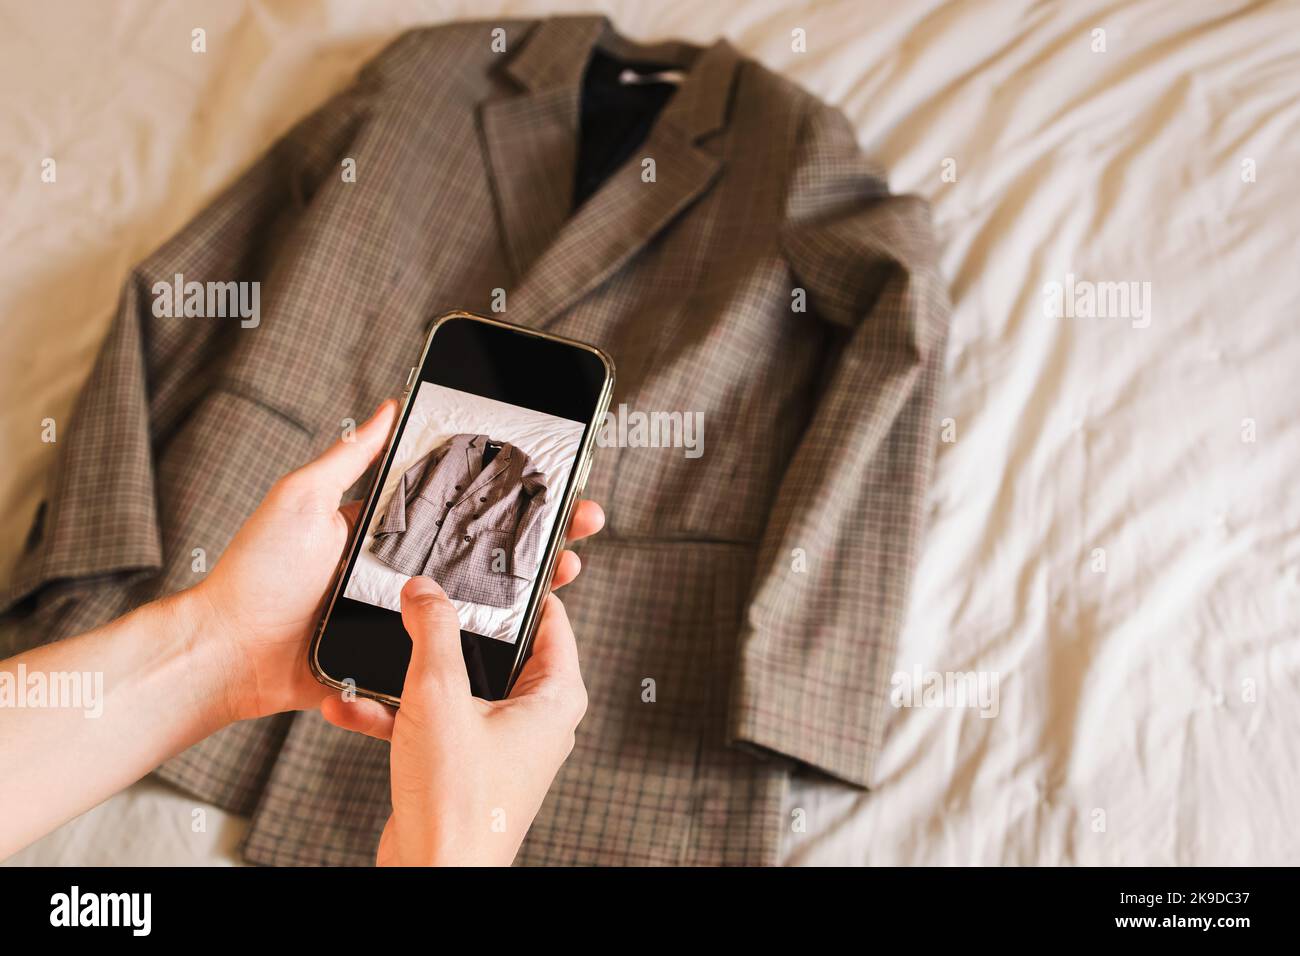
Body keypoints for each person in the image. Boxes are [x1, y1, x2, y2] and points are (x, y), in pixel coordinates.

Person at [0, 401, 600, 866]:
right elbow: (414, 479)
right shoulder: (460, 446)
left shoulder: (528, 470)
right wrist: (458, 850)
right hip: (410, 548)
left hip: (475, 574)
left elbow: (539, 511)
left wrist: (518, 570)